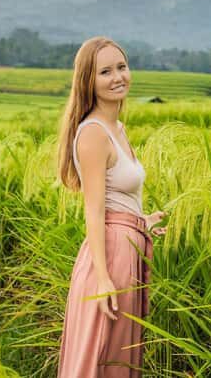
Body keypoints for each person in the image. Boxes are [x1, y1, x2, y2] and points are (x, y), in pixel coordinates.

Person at [56, 36, 166, 377]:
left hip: (126, 247)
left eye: (122, 67)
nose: (118, 77)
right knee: (104, 356)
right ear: (88, 81)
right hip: (110, 259)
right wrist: (103, 279)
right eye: (105, 72)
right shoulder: (93, 134)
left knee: (120, 356)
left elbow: (117, 199)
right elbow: (94, 211)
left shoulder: (117, 127)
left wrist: (141, 221)